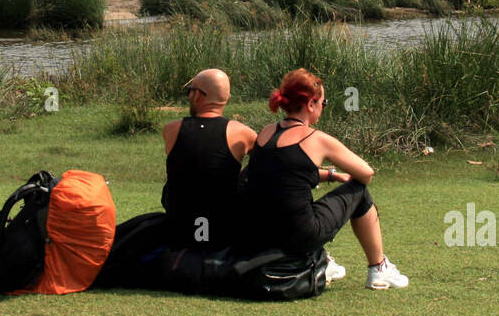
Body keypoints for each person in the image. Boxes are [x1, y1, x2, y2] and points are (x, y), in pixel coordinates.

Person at [242, 69, 408, 289]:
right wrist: (344, 175)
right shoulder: (316, 139)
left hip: (261, 233)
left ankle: (323, 258)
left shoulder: (265, 133)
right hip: (299, 235)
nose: (322, 107)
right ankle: (378, 268)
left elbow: (285, 172)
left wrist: (331, 175)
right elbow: (366, 174)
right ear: (311, 104)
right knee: (358, 190)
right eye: (323, 102)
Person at [161, 69, 257, 251]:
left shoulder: (171, 130)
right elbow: (265, 161)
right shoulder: (243, 133)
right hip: (222, 228)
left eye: (190, 90)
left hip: (180, 227)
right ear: (226, 99)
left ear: (197, 95)